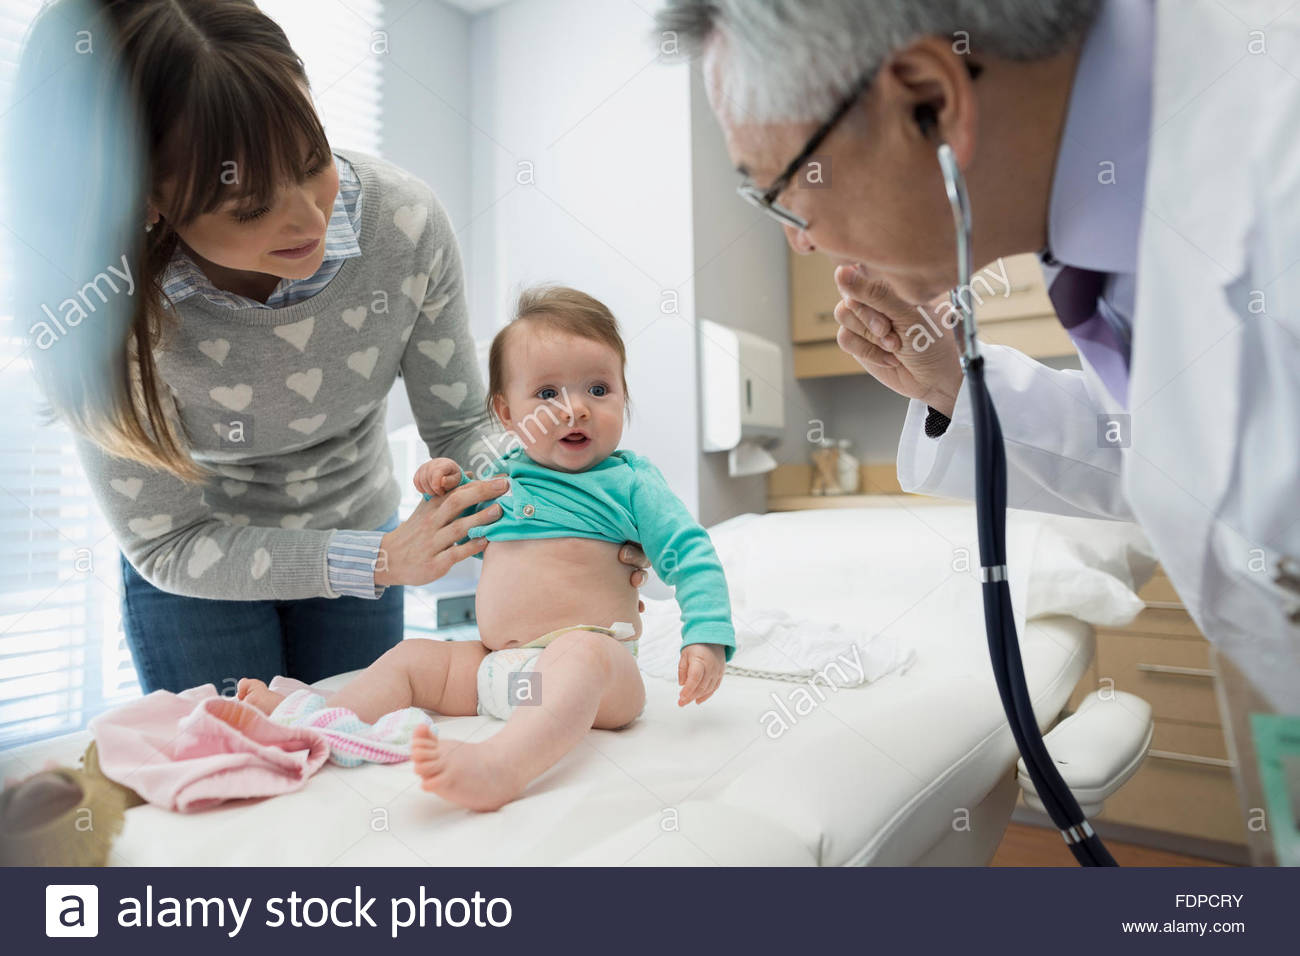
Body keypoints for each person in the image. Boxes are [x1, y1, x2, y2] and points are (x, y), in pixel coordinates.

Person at [658, 0, 1300, 713]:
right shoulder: (1116, 223)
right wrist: (955, 386)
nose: (800, 241)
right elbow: (1160, 445)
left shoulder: (1278, 158)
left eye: (781, 194)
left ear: (929, 102)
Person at [16, 0, 649, 693]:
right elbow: (170, 543)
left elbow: (464, 428)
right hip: (202, 569)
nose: (311, 217)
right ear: (146, 199)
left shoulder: (402, 225)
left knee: (354, 763)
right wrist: (377, 560)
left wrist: (569, 505)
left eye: (313, 158)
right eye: (249, 204)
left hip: (363, 525)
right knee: (234, 782)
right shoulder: (103, 303)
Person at [238, 286, 735, 812]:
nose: (575, 410)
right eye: (548, 394)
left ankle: (502, 766)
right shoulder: (499, 481)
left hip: (599, 679)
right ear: (506, 413)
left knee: (581, 653)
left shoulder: (629, 483)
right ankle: (320, 715)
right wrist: (436, 484)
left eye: (598, 388)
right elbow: (450, 530)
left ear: (623, 396)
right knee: (411, 657)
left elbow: (690, 550)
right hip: (496, 669)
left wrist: (704, 635)